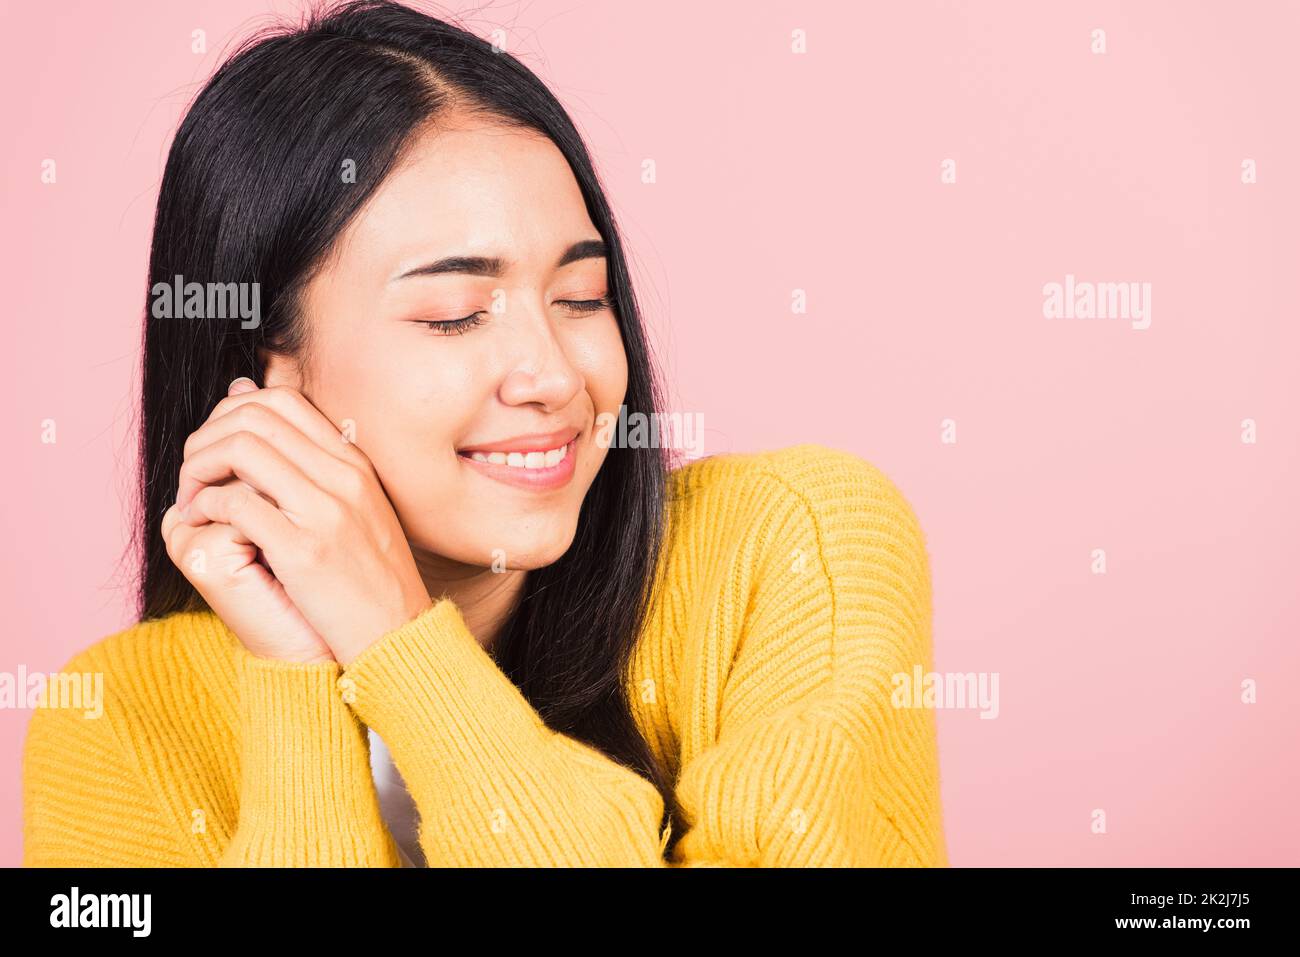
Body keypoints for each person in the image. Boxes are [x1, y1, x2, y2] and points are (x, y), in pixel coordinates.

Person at [22, 0, 947, 867]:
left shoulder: (793, 548)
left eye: (580, 298)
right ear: (274, 359)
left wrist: (400, 645)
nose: (552, 376)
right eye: (457, 313)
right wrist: (294, 689)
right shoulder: (116, 720)